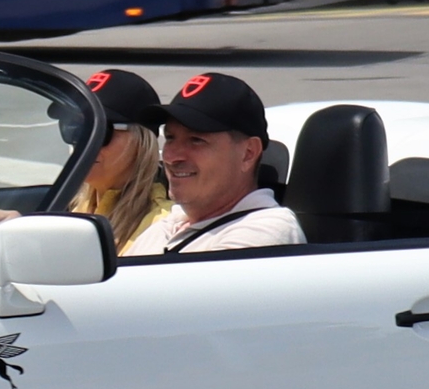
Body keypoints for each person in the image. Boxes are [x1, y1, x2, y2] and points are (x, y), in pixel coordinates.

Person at [0, 69, 172, 251]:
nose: (85, 141)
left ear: (141, 141)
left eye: (101, 131)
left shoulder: (161, 225)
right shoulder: (78, 206)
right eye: (75, 127)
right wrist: (23, 233)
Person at [125, 72, 304, 256]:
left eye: (196, 140)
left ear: (248, 154)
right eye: (170, 138)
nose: (171, 157)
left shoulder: (265, 232)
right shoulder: (167, 225)